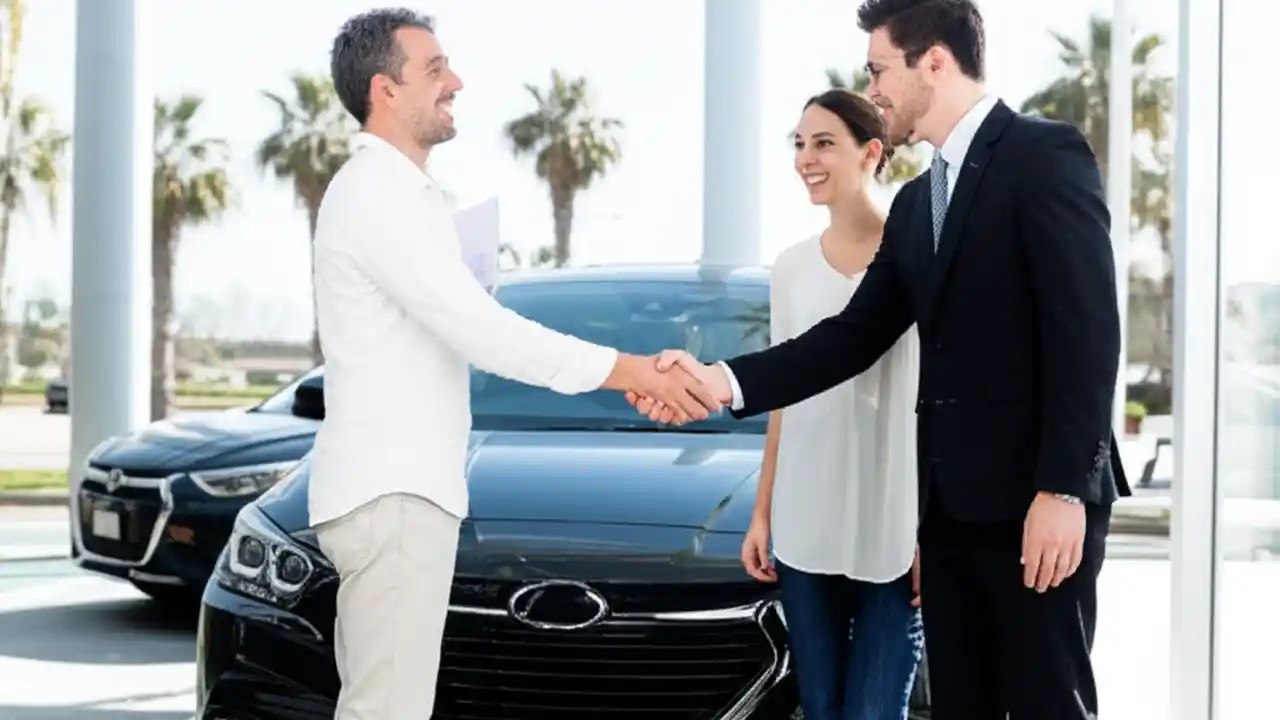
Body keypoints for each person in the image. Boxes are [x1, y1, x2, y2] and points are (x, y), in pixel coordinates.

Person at [633, 1, 1131, 717]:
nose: (872, 91)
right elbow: (850, 336)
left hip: (1034, 507)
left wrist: (1063, 490)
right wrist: (721, 380)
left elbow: (1088, 334)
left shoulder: (1042, 155)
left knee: (1047, 703)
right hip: (949, 514)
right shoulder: (916, 202)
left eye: (878, 69)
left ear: (934, 61)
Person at [308, 9, 719, 719]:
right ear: (384, 90)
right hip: (395, 494)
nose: (455, 82)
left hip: (396, 492)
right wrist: (633, 371)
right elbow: (483, 331)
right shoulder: (380, 192)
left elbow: (460, 324)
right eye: (435, 70)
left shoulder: (397, 195)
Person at [743, 89, 923, 720]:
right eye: (798, 143)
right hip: (805, 518)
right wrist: (762, 512)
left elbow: (937, 398)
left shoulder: (919, 257)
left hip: (894, 524)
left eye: (823, 143)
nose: (805, 159)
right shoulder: (790, 269)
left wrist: (933, 524)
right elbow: (781, 397)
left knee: (875, 710)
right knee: (819, 708)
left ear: (871, 152)